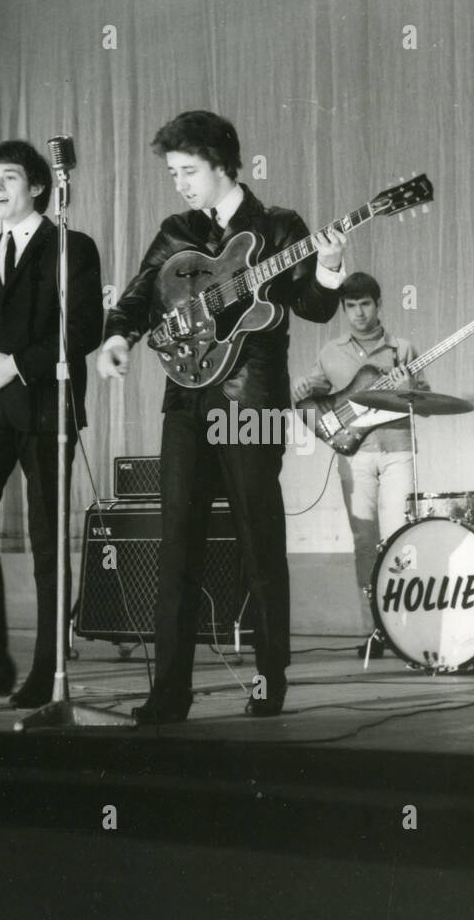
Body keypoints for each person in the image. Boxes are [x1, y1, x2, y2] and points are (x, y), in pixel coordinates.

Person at [98, 110, 347, 722]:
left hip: (251, 396)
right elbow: (139, 293)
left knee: (257, 535)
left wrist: (331, 265)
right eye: (173, 172)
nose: (179, 182)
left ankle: (269, 680)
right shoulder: (175, 229)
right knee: (177, 540)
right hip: (185, 400)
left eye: (188, 171)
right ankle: (171, 690)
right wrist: (117, 336)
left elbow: (312, 307)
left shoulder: (278, 227)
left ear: (221, 165)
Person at [0, 140, 104, 707]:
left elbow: (83, 329)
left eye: (8, 177)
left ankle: (47, 666)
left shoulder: (70, 246)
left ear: (37, 186)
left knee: (46, 540)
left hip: (44, 408)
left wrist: (20, 364)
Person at [292, 272, 426, 657]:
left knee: (401, 538)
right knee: (365, 541)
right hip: (355, 455)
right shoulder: (330, 350)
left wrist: (409, 384)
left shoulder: (402, 348)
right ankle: (376, 630)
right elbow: (313, 398)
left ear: (379, 305)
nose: (358, 313)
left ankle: (406, 628)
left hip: (398, 448)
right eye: (350, 306)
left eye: (365, 304)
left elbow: (427, 400)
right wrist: (303, 386)